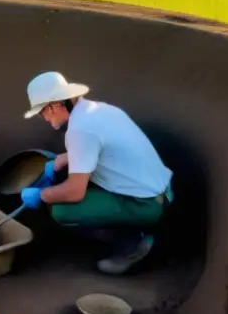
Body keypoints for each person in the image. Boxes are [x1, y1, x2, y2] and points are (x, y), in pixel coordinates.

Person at [19, 71, 174, 275]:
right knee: (69, 178)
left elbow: (75, 192)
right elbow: (101, 147)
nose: (44, 118)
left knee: (61, 209)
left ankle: (133, 242)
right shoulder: (99, 111)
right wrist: (60, 160)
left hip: (145, 203)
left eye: (42, 113)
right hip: (161, 189)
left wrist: (40, 195)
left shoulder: (79, 131)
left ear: (53, 105)